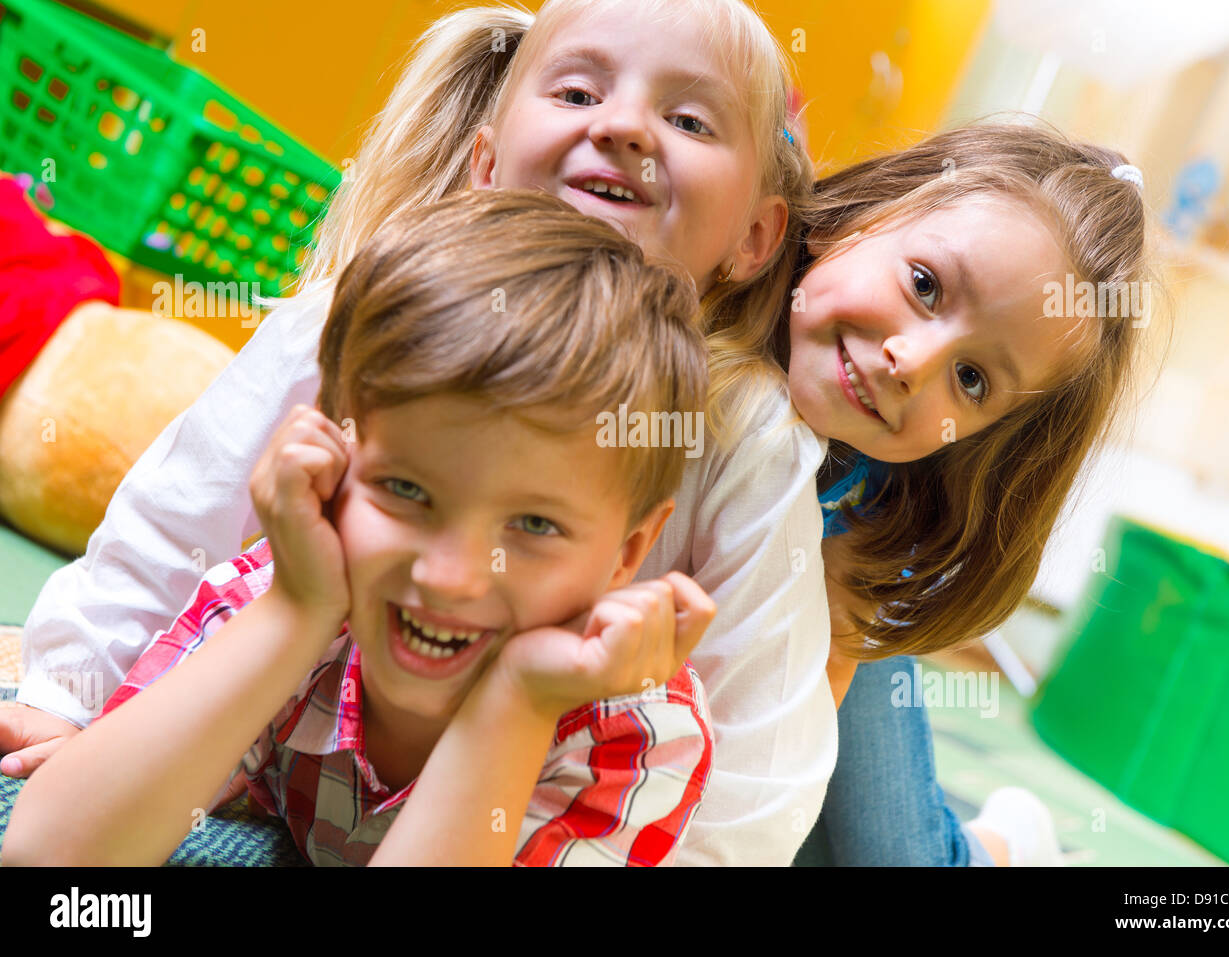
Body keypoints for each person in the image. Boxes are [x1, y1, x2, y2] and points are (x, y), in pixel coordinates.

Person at [1, 0, 837, 866]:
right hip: (305, 744)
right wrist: (72, 694)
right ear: (485, 161)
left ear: (757, 234)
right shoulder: (347, 365)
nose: (624, 126)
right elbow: (176, 519)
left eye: (689, 118)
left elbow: (760, 746)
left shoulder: (743, 440)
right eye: (580, 92)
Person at [2, 189, 718, 866]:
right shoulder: (295, 582)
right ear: (335, 465)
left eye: (534, 524)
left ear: (628, 552)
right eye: (406, 489)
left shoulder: (637, 734)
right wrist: (297, 611)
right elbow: (47, 856)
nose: (451, 575)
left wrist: (519, 702)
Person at [783, 122, 1158, 866]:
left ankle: (1010, 844)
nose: (911, 365)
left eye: (973, 378)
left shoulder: (873, 511)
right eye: (924, 286)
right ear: (855, 216)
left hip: (830, 602)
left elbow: (780, 757)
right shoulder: (711, 303)